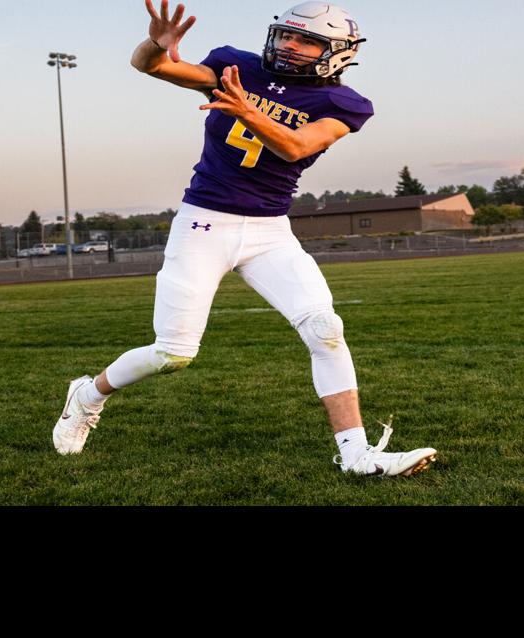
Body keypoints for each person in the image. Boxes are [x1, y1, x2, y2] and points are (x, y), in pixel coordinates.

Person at [52, 0, 436, 478]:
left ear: (337, 52)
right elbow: (151, 67)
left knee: (325, 328)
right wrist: (156, 45)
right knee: (174, 354)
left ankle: (357, 455)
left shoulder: (343, 103)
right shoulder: (237, 67)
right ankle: (87, 394)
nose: (290, 45)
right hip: (204, 223)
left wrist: (247, 110)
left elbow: (296, 145)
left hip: (270, 231)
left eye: (306, 40)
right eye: (286, 35)